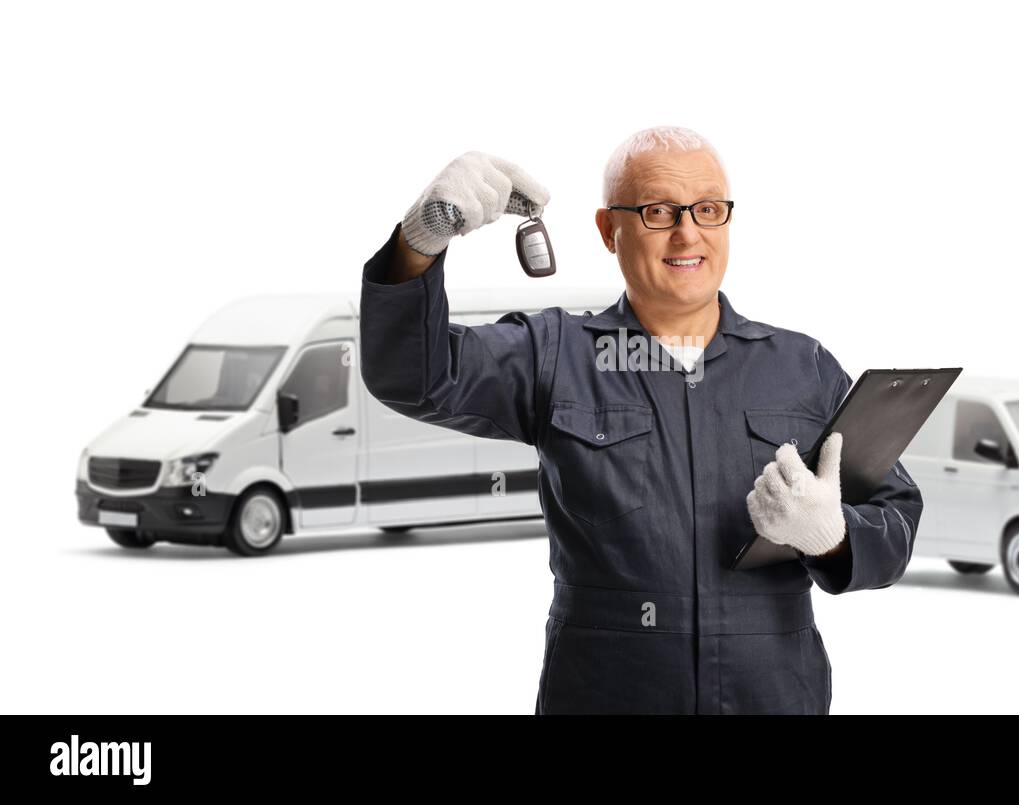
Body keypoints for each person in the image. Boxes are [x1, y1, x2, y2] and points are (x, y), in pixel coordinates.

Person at [358, 126, 923, 714]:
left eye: (708, 209)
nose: (688, 233)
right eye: (658, 211)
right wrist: (420, 241)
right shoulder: (555, 354)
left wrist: (831, 537)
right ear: (609, 230)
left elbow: (897, 516)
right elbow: (413, 377)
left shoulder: (802, 367)